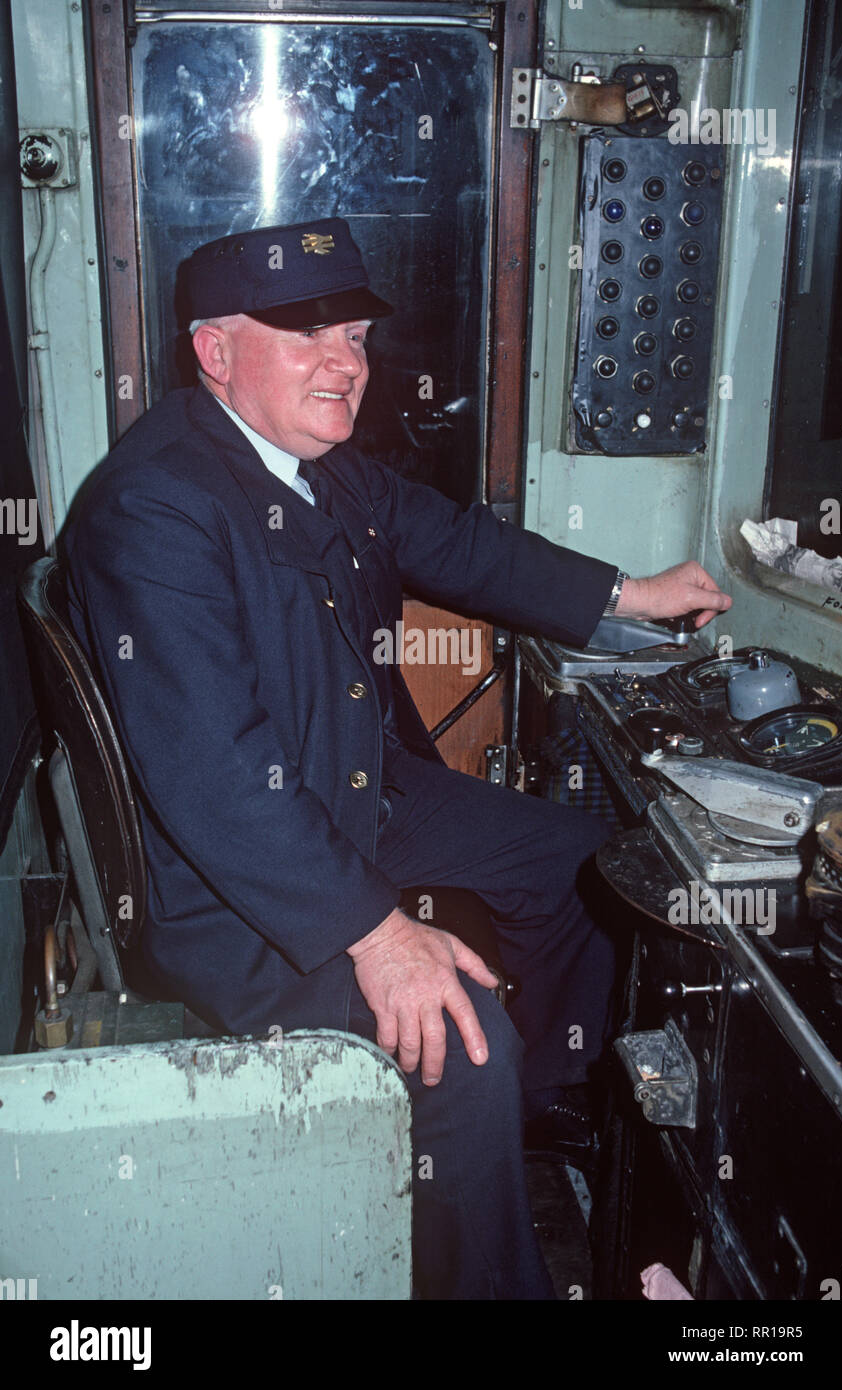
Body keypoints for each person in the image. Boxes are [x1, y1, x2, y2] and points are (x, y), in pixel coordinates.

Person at [62, 218, 731, 1299]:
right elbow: (215, 777)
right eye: (306, 334)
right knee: (457, 1051)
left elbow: (459, 542)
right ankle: (474, 1208)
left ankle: (513, 1129)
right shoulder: (159, 506)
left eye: (358, 337)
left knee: (589, 870)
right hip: (238, 885)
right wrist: (378, 934)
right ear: (214, 351)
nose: (347, 363)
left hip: (354, 791)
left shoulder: (307, 463)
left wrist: (627, 595)